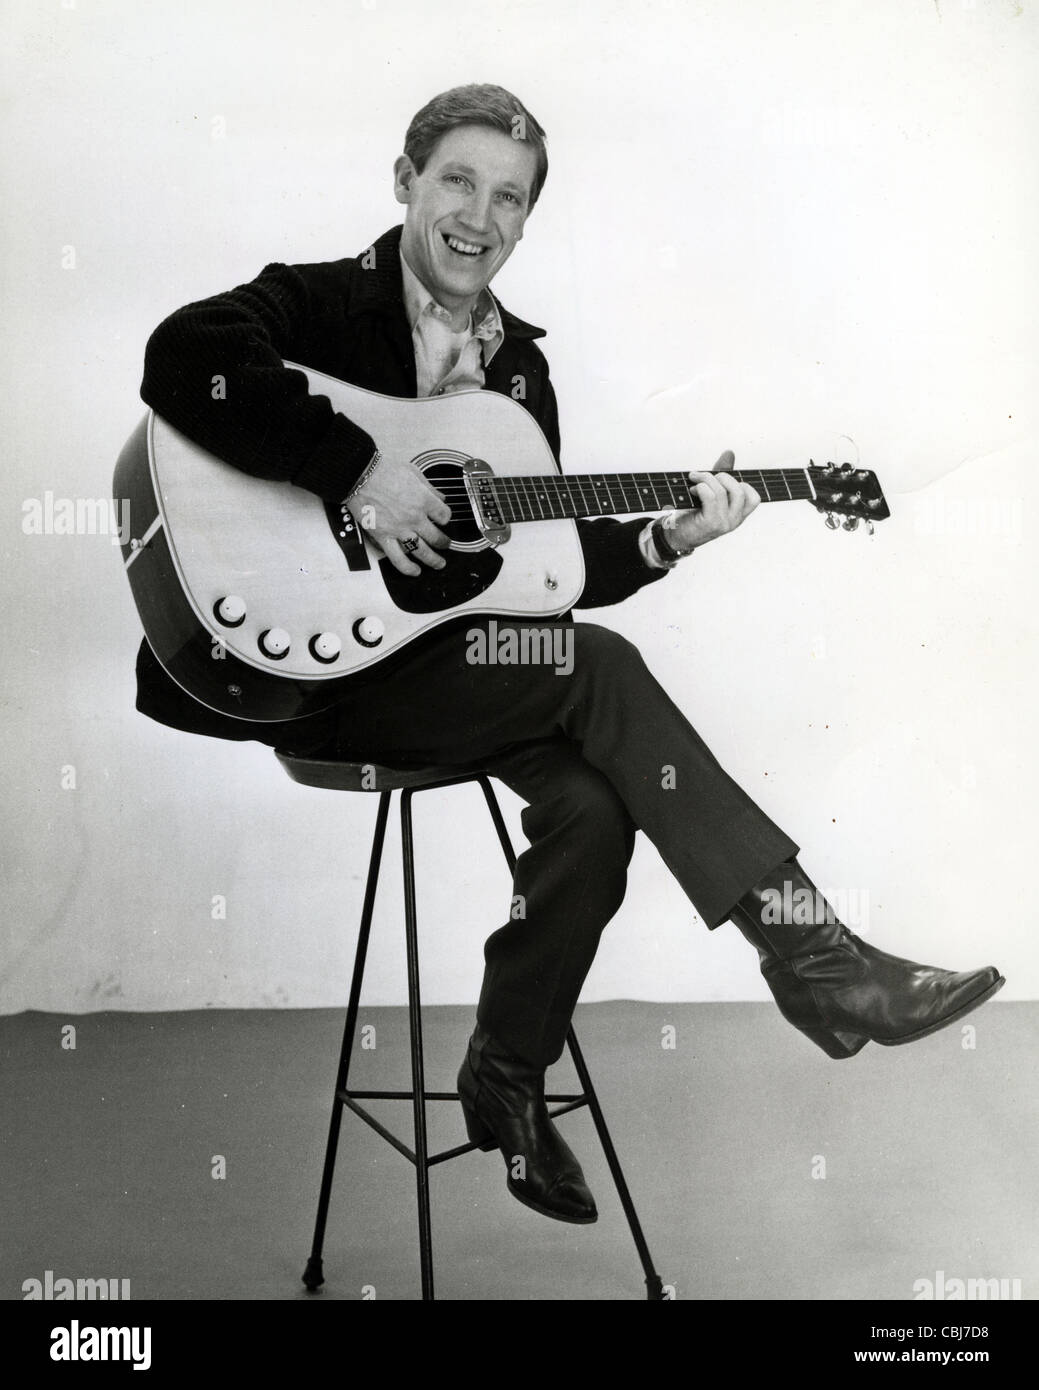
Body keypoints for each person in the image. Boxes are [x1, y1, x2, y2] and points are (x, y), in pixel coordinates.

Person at [134, 84, 1004, 1225]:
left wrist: (662, 535)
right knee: (594, 667)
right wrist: (356, 468)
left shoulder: (521, 375)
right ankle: (818, 960)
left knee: (594, 806)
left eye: (508, 198)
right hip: (307, 675)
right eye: (455, 180)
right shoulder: (315, 305)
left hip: (449, 667)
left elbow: (534, 573)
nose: (476, 216)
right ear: (404, 182)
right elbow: (181, 354)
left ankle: (503, 1077)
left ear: (526, 222)